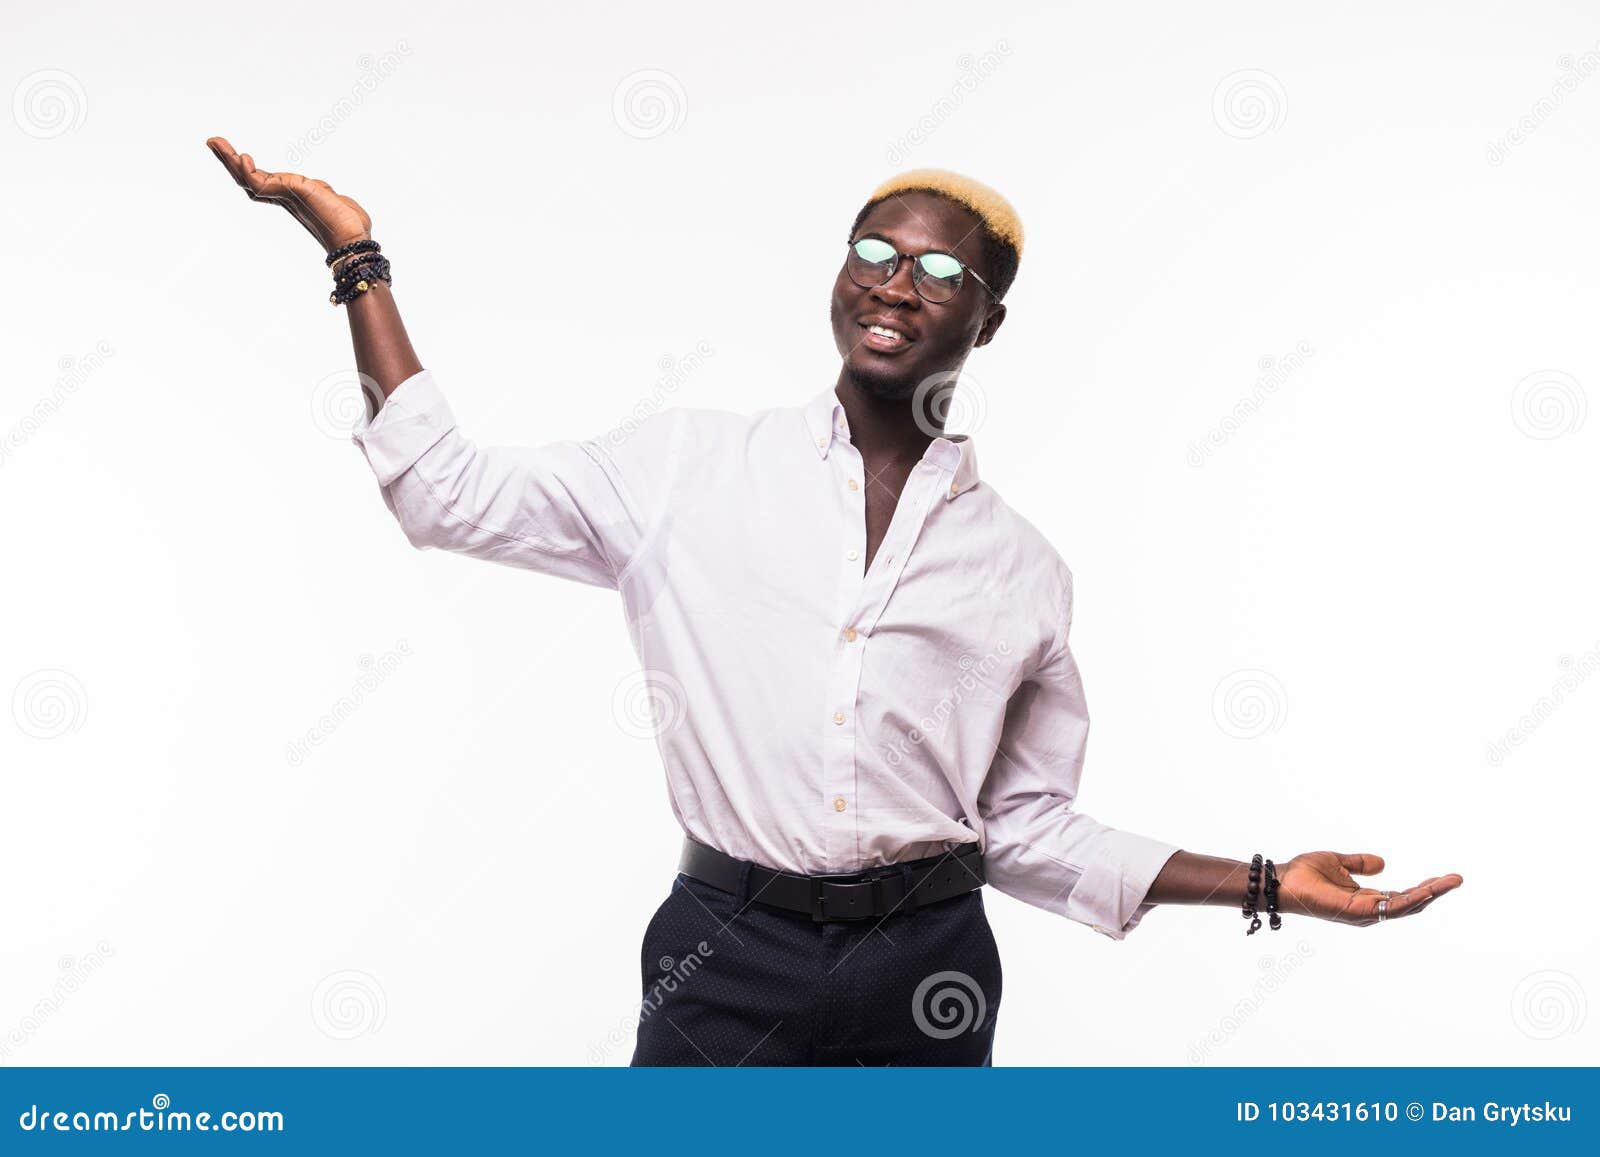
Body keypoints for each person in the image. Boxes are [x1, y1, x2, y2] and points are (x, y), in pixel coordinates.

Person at [205, 137, 1464, 1066]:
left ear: (989, 317)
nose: (894, 283)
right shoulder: (684, 469)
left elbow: (1021, 828)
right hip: (724, 949)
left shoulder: (1020, 570)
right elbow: (443, 495)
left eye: (936, 269)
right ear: (837, 277)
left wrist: (1261, 880)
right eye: (872, 251)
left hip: (929, 967)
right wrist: (356, 259)